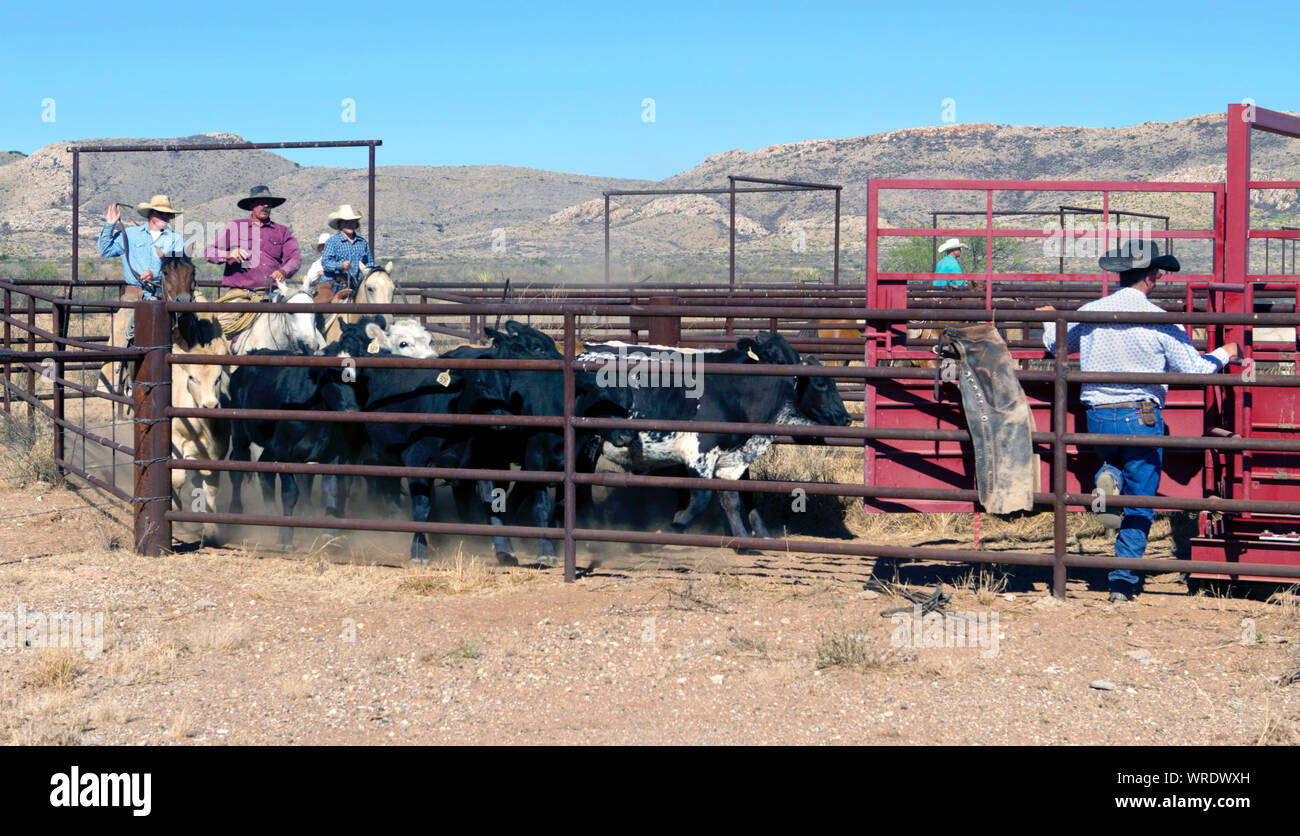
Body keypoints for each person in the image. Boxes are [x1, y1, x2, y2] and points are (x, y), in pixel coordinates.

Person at [1039, 241, 1239, 603]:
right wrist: (1226, 352)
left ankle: (1109, 476)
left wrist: (1048, 317)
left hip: (1097, 414)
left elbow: (1058, 345)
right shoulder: (1161, 320)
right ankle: (1121, 583)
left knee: (1114, 461)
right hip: (1140, 414)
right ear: (1150, 276)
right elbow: (1194, 370)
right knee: (1141, 500)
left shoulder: (1090, 311)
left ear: (1120, 274)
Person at [96, 195, 186, 391]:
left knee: (185, 338)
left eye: (168, 214)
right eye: (161, 213)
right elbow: (105, 250)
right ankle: (107, 389)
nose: (165, 217)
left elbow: (179, 270)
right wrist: (109, 225)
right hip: (134, 297)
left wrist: (156, 274)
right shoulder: (131, 234)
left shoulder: (175, 240)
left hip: (164, 298)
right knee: (119, 336)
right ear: (150, 214)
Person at [205, 185, 301, 293]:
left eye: (268, 203)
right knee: (229, 309)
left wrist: (284, 271)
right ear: (252, 205)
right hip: (240, 292)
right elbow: (208, 252)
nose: (265, 206)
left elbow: (295, 258)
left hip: (273, 291)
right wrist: (229, 254)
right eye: (261, 202)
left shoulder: (282, 231)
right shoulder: (235, 227)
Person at [320, 204, 372, 294]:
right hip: (331, 284)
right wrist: (340, 265)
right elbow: (325, 263)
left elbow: (369, 263)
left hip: (355, 285)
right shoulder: (332, 242)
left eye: (352, 222)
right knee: (321, 303)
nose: (350, 225)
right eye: (346, 222)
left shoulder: (363, 243)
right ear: (340, 225)